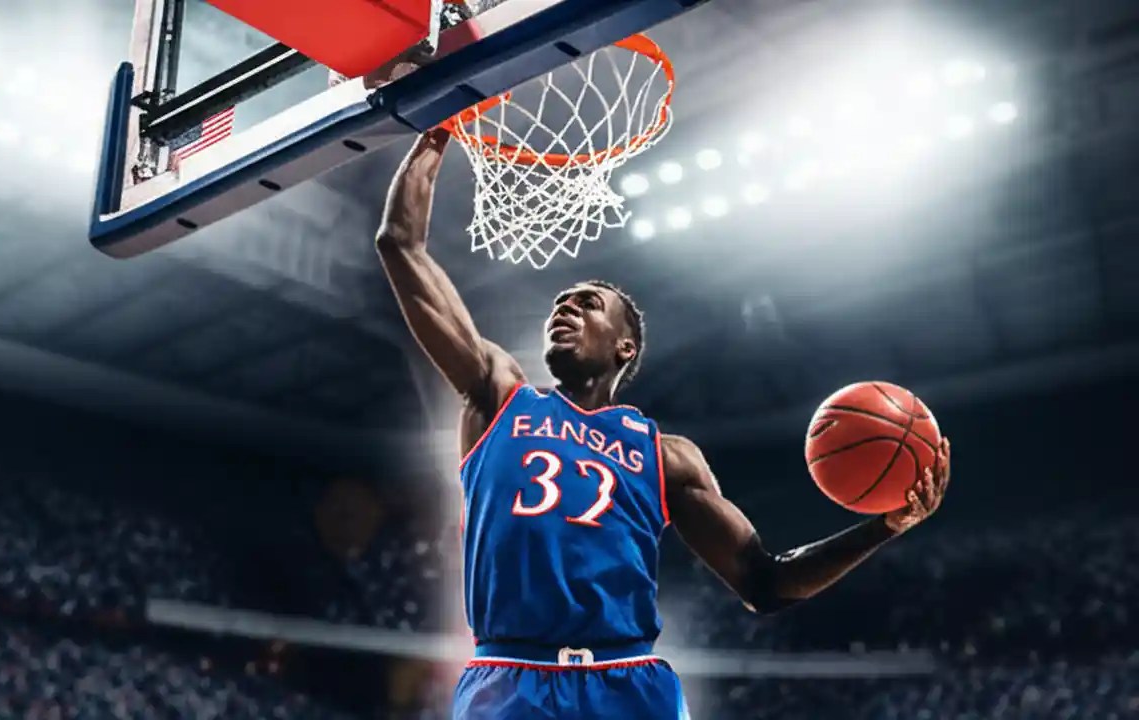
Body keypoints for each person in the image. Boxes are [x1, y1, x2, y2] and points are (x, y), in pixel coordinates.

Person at [375, 129, 951, 719]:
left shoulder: (666, 457)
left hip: (631, 685)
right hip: (510, 681)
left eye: (587, 303)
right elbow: (400, 244)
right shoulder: (499, 394)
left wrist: (884, 527)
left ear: (625, 347)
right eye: (559, 303)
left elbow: (767, 583)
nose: (565, 308)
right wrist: (439, 129)